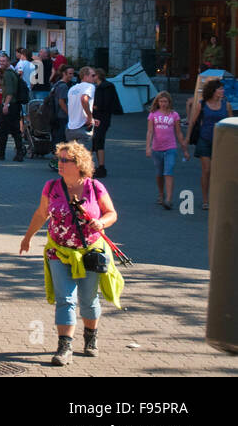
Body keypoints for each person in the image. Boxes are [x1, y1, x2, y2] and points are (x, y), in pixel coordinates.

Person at [19, 141, 122, 366]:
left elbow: (111, 213)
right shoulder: (51, 187)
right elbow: (42, 213)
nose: (60, 163)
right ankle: (64, 346)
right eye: (59, 159)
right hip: (59, 251)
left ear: (79, 164)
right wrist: (27, 238)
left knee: (88, 300)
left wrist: (101, 222)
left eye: (65, 160)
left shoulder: (94, 187)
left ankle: (90, 337)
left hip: (89, 252)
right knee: (65, 299)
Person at [187, 78, 233, 211]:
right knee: (206, 170)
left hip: (221, 142)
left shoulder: (226, 105)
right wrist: (187, 138)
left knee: (219, 171)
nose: (223, 91)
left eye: (223, 89)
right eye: (220, 89)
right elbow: (192, 122)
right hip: (204, 139)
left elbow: (231, 124)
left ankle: (217, 197)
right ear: (213, 91)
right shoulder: (202, 104)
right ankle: (205, 200)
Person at [145, 92, 187, 209]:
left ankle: (168, 199)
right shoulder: (153, 114)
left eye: (165, 101)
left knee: (168, 171)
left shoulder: (174, 115)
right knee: (159, 173)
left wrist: (184, 149)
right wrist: (148, 147)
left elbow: (178, 133)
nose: (163, 104)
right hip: (157, 148)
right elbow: (150, 131)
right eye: (161, 101)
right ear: (157, 102)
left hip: (170, 147)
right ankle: (161, 193)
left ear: (169, 102)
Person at [0, 52, 26, 161]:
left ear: (8, 62)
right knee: (15, 130)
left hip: (10, 104)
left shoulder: (7, 74)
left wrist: (6, 105)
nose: (1, 63)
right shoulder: (12, 72)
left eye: (4, 61)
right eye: (0, 61)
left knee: (3, 130)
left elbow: (10, 92)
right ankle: (19, 152)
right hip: (15, 104)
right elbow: (1, 85)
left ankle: (0, 153)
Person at [90, 68, 118, 178]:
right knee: (96, 141)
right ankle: (98, 166)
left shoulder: (106, 87)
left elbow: (105, 103)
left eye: (93, 75)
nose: (92, 77)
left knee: (98, 141)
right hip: (100, 117)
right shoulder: (101, 87)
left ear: (97, 76)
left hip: (102, 117)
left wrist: (93, 107)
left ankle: (101, 167)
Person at [66, 67, 96, 148]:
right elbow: (84, 99)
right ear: (85, 76)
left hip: (70, 128)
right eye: (93, 75)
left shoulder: (72, 88)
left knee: (72, 154)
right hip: (83, 127)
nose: (94, 78)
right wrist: (90, 117)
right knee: (84, 154)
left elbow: (73, 106)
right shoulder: (90, 86)